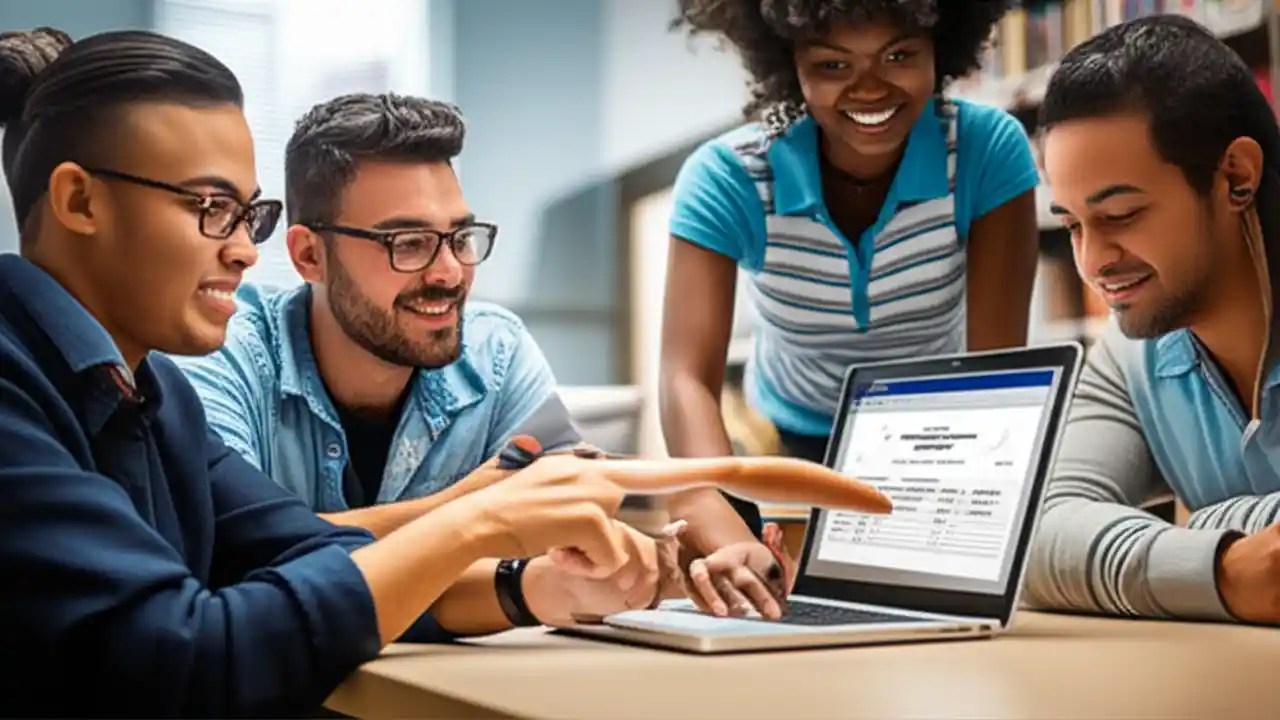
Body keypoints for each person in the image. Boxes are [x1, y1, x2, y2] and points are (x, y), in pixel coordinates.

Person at [0, 27, 756, 716]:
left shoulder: (150, 397)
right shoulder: (19, 387)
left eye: (246, 216)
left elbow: (314, 555)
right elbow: (190, 650)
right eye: (210, 208)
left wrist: (529, 587)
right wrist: (475, 517)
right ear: (79, 201)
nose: (237, 248)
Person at [173, 92, 676, 636]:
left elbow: (563, 525)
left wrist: (667, 564)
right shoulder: (223, 352)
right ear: (309, 255)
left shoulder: (497, 352)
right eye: (408, 243)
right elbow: (227, 558)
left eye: (460, 238)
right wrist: (478, 511)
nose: (449, 273)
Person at [659, 0, 1039, 614]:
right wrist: (720, 522)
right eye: (833, 63)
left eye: (899, 56)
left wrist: (970, 511)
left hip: (935, 431)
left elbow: (994, 371)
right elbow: (685, 378)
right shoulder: (728, 176)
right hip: (791, 438)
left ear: (941, 47)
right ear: (790, 63)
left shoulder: (984, 150)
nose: (869, 88)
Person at [1025, 14, 1280, 625]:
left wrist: (1212, 519)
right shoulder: (1128, 354)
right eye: (1072, 226)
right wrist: (1222, 565)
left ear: (1236, 178)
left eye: (1121, 214)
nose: (1091, 263)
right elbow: (1037, 534)